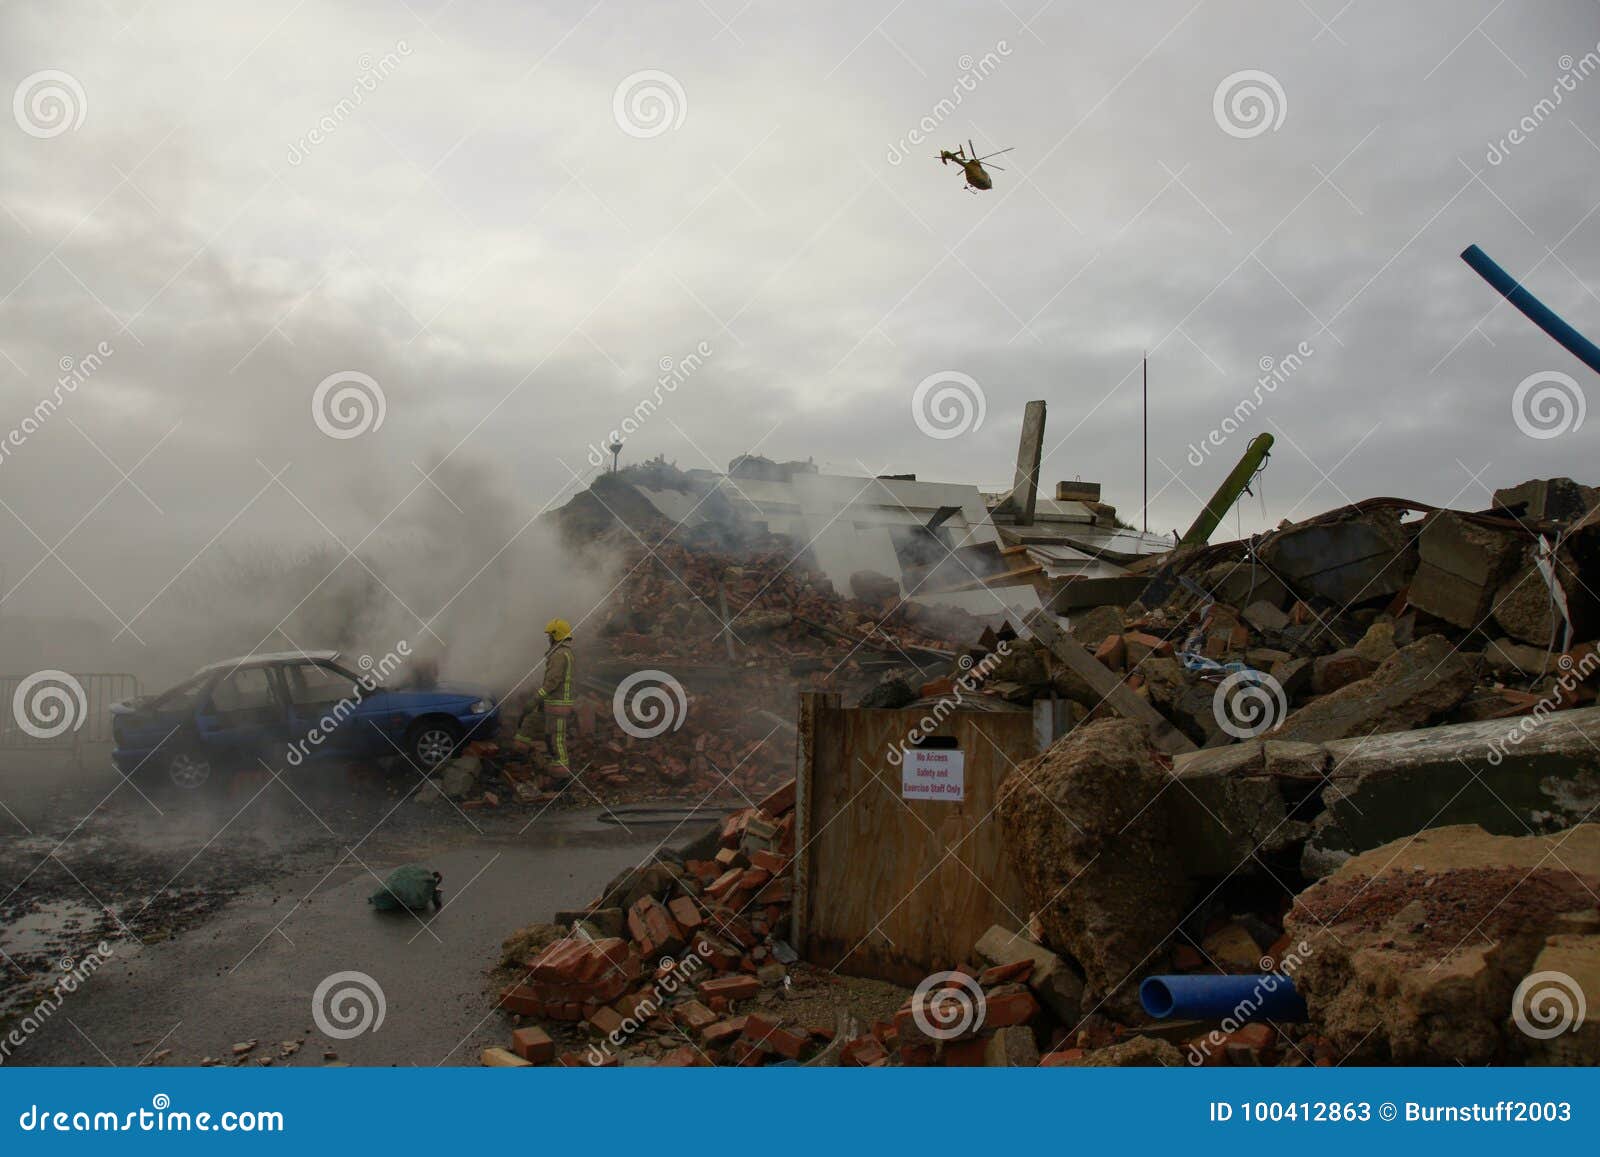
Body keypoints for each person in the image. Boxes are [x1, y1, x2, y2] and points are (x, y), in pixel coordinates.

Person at [517, 618, 575, 776]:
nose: (548, 638)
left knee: (556, 739)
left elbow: (552, 681)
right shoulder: (564, 653)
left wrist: (537, 698)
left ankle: (562, 774)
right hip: (554, 702)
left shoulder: (559, 654)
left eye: (550, 635)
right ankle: (522, 754)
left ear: (556, 636)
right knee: (535, 725)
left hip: (558, 703)